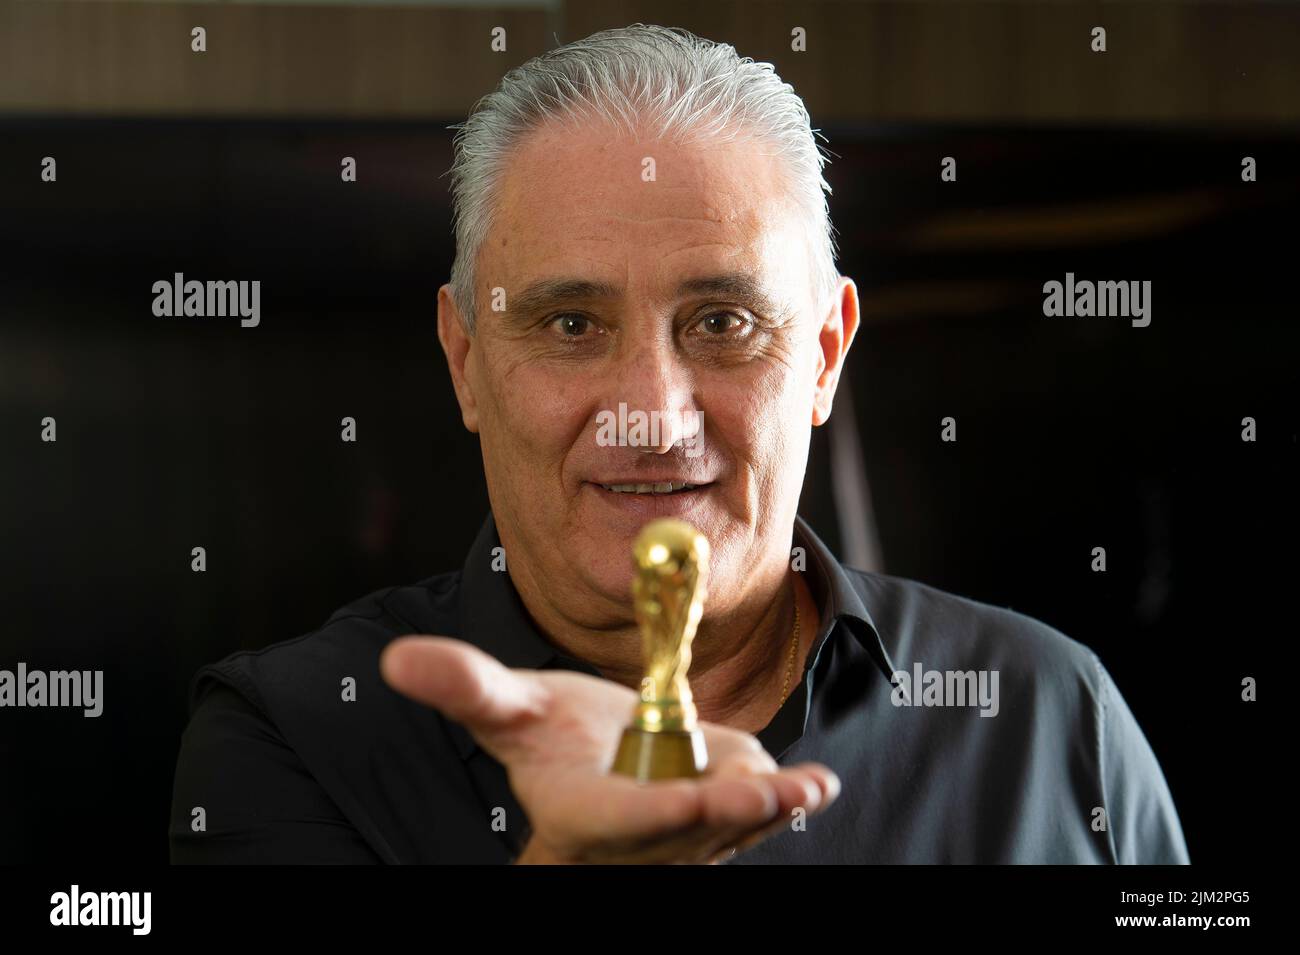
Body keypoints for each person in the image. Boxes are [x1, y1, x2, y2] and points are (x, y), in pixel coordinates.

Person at [169, 23, 1189, 865]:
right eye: (572, 324)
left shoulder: (1056, 714)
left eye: (720, 323)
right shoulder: (293, 734)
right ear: (466, 359)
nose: (652, 416)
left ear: (826, 355)